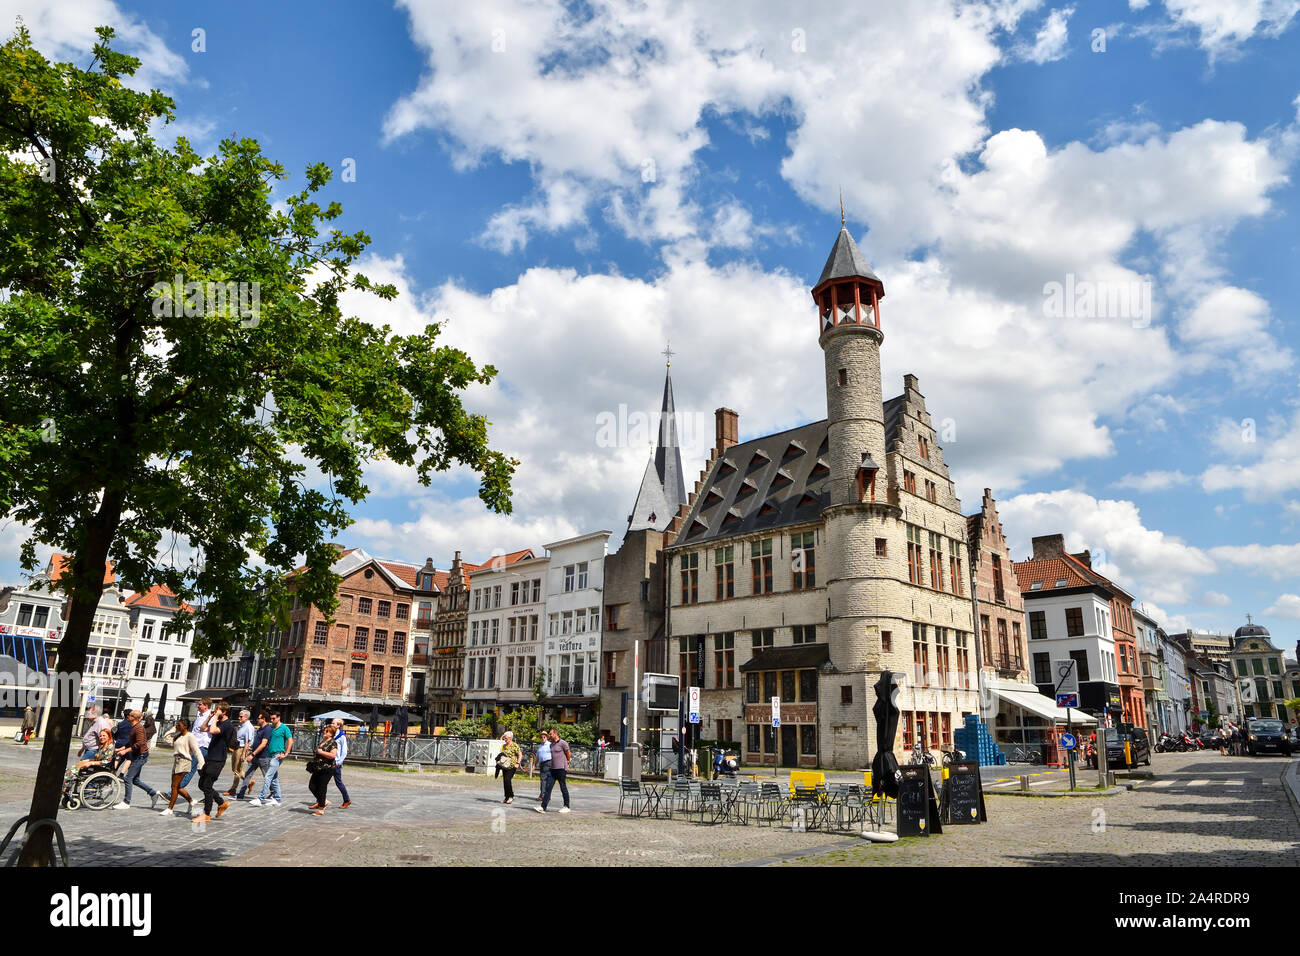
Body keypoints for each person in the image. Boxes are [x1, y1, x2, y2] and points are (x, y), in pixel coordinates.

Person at [195, 702, 235, 823]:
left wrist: (215, 717)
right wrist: (209, 717)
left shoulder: (227, 725)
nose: (216, 711)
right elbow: (202, 729)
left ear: (224, 712)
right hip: (211, 757)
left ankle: (206, 814)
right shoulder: (217, 721)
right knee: (201, 784)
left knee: (207, 785)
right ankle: (221, 803)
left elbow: (212, 731)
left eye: (218, 710)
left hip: (218, 759)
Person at [112, 711, 160, 810]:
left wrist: (125, 751)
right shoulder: (133, 727)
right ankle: (153, 793)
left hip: (141, 756)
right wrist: (121, 749)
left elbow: (140, 743)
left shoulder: (139, 728)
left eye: (129, 715)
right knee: (135, 780)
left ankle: (126, 802)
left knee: (128, 778)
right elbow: (131, 743)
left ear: (133, 718)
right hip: (137, 756)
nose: (127, 716)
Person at [162, 718, 203, 816]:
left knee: (174, 786)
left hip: (184, 761)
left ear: (185, 726)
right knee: (178, 786)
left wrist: (201, 762)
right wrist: (173, 729)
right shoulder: (178, 735)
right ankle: (191, 801)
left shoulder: (190, 736)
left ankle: (170, 808)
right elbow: (166, 738)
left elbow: (196, 750)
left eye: (179, 725)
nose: (177, 726)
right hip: (176, 761)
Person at [250, 712, 292, 807]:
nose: (272, 721)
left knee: (268, 776)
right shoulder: (272, 729)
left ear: (279, 718)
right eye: (271, 719)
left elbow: (290, 740)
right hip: (270, 755)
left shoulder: (284, 728)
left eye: (273, 718)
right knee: (273, 778)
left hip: (278, 755)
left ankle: (260, 798)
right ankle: (277, 799)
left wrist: (286, 753)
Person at [536, 728, 571, 814]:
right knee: (548, 788)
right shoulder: (551, 745)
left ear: (555, 734)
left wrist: (567, 761)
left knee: (563, 787)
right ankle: (543, 807)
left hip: (561, 769)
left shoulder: (563, 743)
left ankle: (566, 806)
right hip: (553, 769)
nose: (550, 735)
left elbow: (568, 753)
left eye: (551, 734)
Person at [237, 714, 271, 800]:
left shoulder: (267, 729)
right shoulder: (260, 729)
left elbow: (263, 744)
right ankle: (241, 793)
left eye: (259, 718)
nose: (257, 720)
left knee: (267, 776)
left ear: (263, 719)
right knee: (247, 774)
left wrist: (252, 754)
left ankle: (274, 792)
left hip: (263, 757)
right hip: (255, 756)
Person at [307, 725, 338, 815]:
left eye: (327, 731)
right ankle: (324, 801)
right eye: (324, 731)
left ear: (331, 734)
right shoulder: (324, 742)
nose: (324, 732)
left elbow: (333, 755)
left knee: (321, 787)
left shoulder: (333, 743)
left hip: (326, 769)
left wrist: (321, 752)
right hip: (318, 768)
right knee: (312, 786)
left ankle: (321, 809)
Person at [225, 709, 255, 796]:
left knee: (237, 770)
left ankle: (233, 789)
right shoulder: (243, 725)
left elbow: (248, 742)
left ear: (246, 717)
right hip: (237, 747)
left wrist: (243, 753)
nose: (239, 718)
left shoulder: (249, 726)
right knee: (235, 769)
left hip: (242, 748)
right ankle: (249, 782)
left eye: (241, 716)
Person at [327, 719, 352, 809]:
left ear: (338, 726)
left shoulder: (341, 736)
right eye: (332, 722)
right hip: (328, 761)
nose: (331, 724)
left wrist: (339, 762)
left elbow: (344, 751)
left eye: (333, 723)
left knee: (338, 782)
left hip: (336, 763)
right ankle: (320, 801)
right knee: (322, 782)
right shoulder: (330, 734)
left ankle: (347, 800)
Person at [498, 731, 522, 804]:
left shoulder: (515, 745)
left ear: (510, 738)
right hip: (505, 766)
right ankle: (506, 797)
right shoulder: (504, 746)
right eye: (504, 738)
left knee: (507, 780)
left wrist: (517, 763)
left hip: (512, 766)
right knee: (505, 781)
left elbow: (520, 755)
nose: (505, 739)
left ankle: (511, 796)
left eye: (506, 738)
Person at [534, 730, 552, 802]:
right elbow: (538, 756)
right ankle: (546, 796)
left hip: (549, 763)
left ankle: (543, 795)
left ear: (547, 737)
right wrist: (534, 765)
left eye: (544, 737)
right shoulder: (540, 746)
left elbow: (554, 754)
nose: (543, 738)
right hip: (542, 764)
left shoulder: (550, 744)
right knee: (544, 780)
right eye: (541, 737)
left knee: (545, 780)